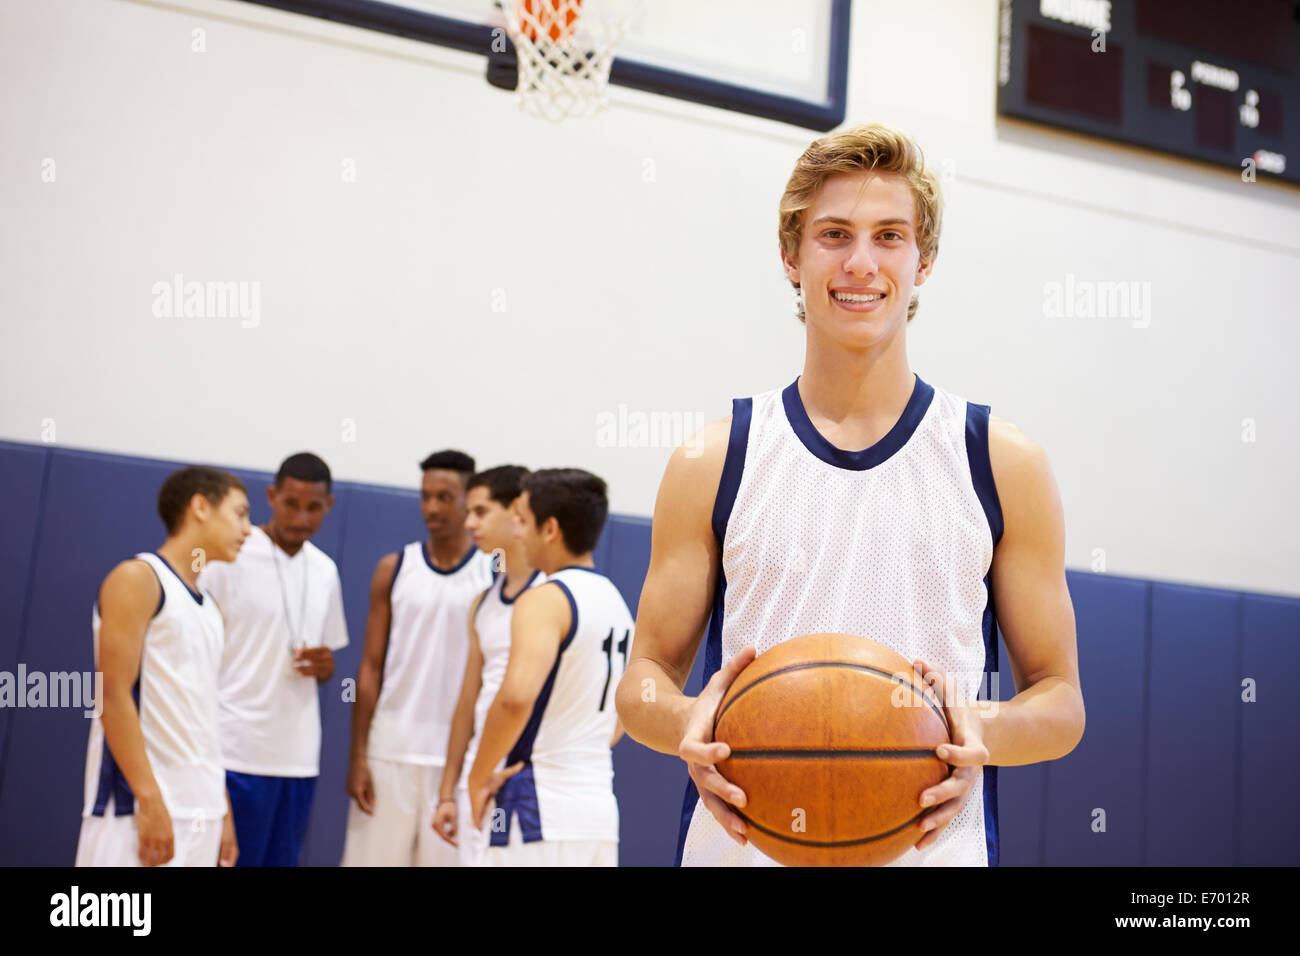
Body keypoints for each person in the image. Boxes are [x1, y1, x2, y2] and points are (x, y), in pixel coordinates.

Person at [615, 122, 1086, 867]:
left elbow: (1061, 702)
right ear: (790, 257)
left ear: (923, 261)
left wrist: (974, 730)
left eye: (889, 236)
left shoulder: (1002, 462)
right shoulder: (714, 457)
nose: (861, 263)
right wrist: (686, 720)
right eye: (834, 234)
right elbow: (642, 682)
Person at [75, 466, 251, 867]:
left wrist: (220, 809)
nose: (249, 529)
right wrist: (149, 799)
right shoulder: (138, 578)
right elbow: (111, 694)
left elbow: (205, 719)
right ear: (201, 507)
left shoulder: (211, 609)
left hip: (200, 810)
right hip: (138, 811)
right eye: (240, 513)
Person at [467, 468, 630, 867]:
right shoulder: (618, 604)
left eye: (523, 522)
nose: (517, 533)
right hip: (597, 814)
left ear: (550, 528)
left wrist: (476, 778)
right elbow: (622, 718)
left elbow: (514, 699)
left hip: (537, 813)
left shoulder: (544, 599)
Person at [341, 450, 494, 866]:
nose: (432, 507)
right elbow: (369, 667)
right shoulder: (394, 568)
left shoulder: (492, 577)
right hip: (388, 751)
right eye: (426, 496)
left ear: (468, 501)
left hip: (456, 764)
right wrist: (358, 757)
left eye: (445, 497)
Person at [198, 452, 349, 866]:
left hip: (298, 759)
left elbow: (329, 659)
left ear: (329, 505)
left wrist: (325, 668)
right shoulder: (229, 558)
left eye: (313, 507)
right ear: (271, 496)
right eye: (291, 504)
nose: (302, 517)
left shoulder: (325, 571)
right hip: (234, 750)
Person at [432, 465, 544, 866]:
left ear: (516, 511)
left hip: (526, 784)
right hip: (476, 779)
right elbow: (468, 703)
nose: (469, 523)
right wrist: (449, 790)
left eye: (480, 512)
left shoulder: (553, 595)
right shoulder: (482, 602)